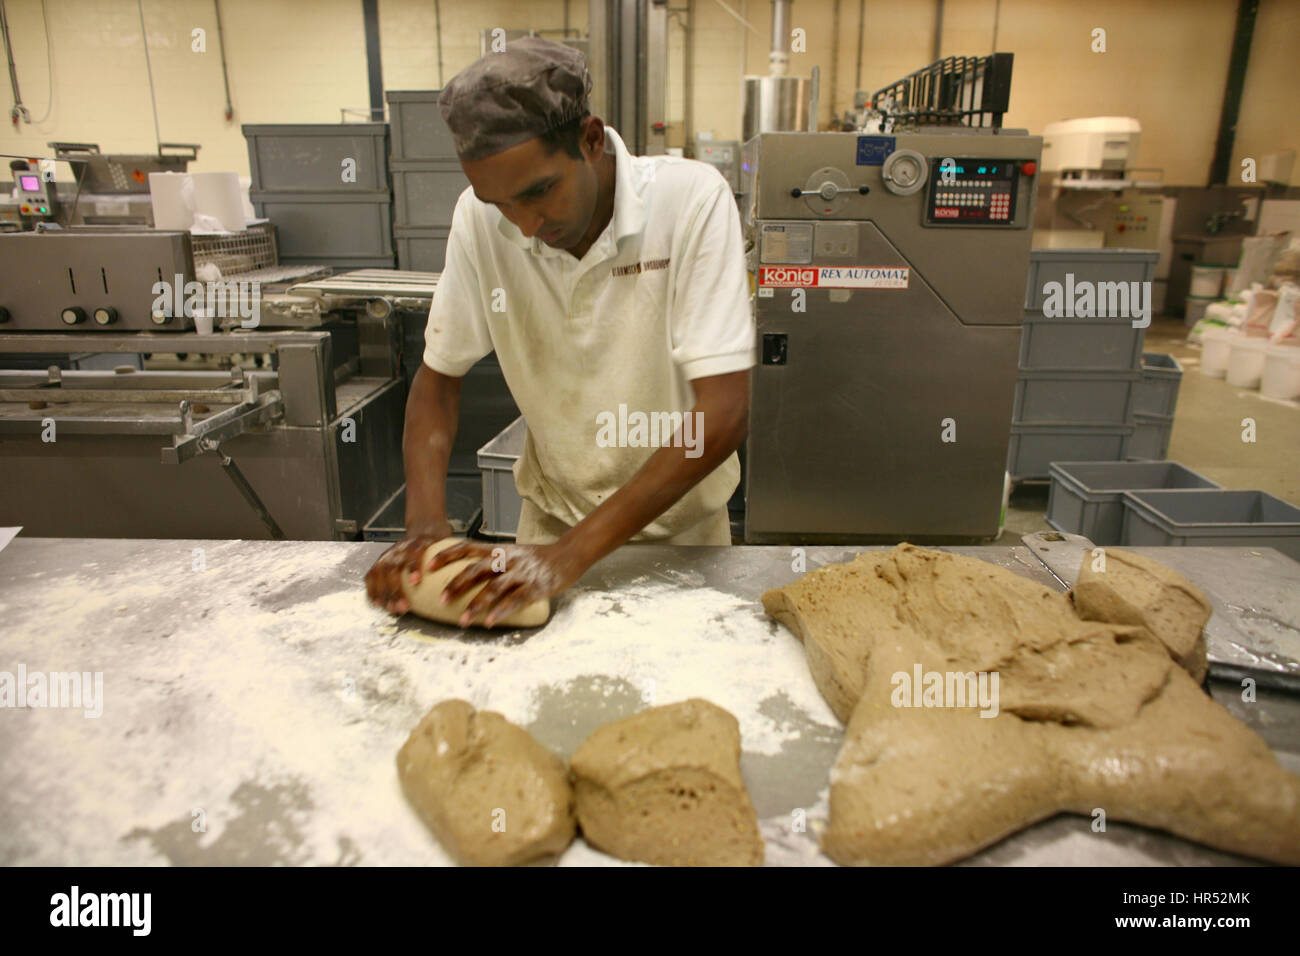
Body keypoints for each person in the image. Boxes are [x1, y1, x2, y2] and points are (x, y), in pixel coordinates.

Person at [365, 37, 754, 627]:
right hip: (547, 528)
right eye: (499, 204)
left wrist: (572, 556)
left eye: (538, 192)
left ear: (590, 139)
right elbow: (439, 379)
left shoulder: (690, 203)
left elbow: (723, 411)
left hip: (684, 537)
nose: (524, 226)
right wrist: (424, 531)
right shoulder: (479, 221)